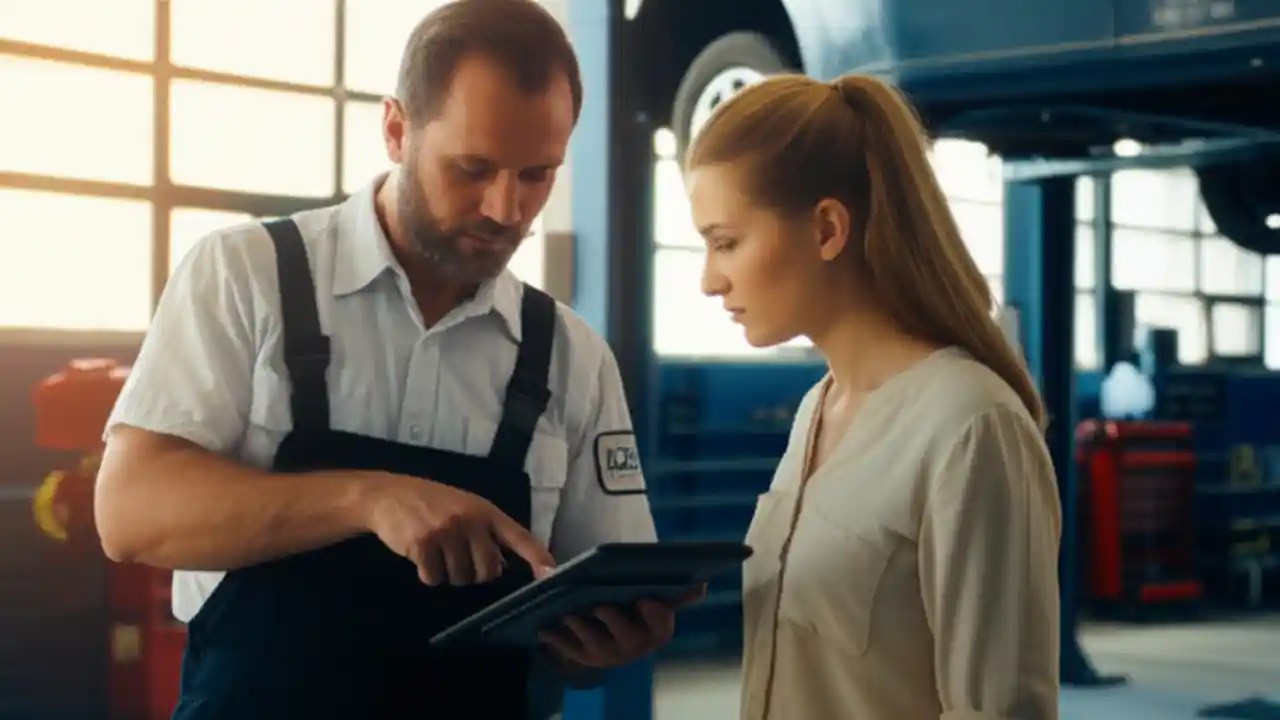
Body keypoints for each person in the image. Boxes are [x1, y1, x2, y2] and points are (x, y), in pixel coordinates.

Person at [93, 2, 699, 718]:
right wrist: (369, 498)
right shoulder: (245, 276)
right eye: (474, 168)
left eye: (537, 175)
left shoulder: (572, 356)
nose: (507, 208)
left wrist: (603, 644)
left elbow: (587, 614)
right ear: (395, 129)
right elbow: (129, 516)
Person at [684, 73, 1062, 720]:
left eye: (726, 243)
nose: (709, 280)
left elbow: (997, 710)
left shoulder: (970, 428)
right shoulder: (814, 413)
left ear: (828, 229)